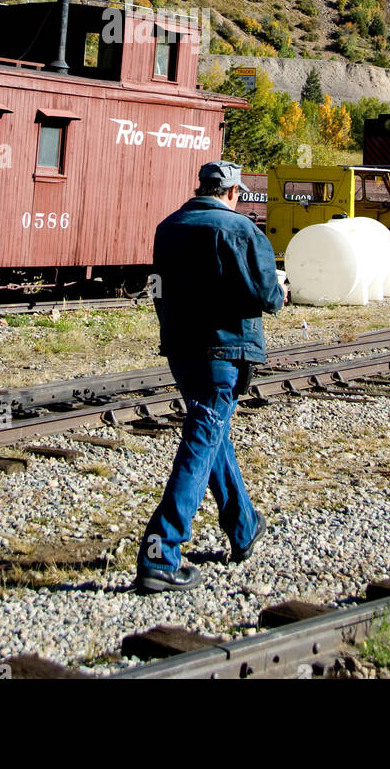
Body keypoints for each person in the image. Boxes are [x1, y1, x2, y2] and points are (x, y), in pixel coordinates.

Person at [136, 159, 286, 593]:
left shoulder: (168, 228)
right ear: (233, 192)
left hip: (181, 350)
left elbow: (158, 288)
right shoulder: (242, 230)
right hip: (225, 351)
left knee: (212, 433)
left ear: (200, 186)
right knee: (201, 442)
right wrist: (281, 290)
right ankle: (161, 553)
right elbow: (268, 297)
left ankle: (244, 527)